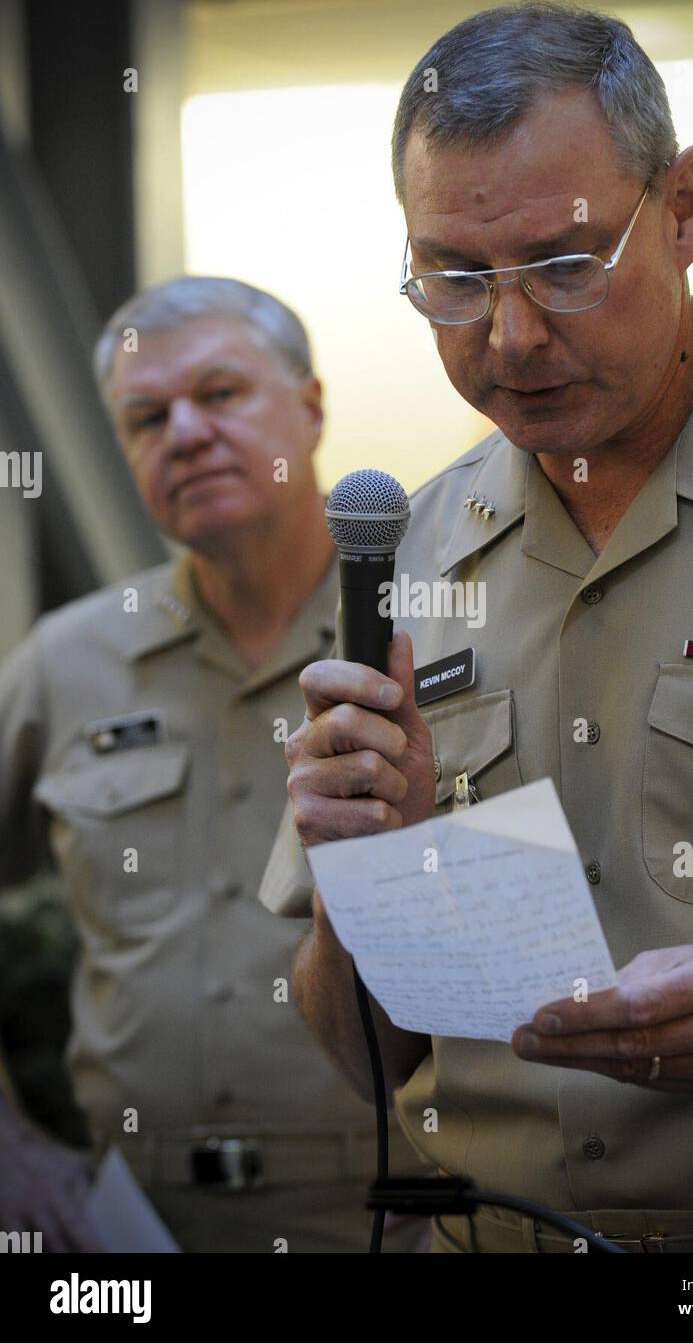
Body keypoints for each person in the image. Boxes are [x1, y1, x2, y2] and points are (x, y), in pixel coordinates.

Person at [260, 2, 693, 1254]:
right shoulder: (405, 556)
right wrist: (354, 882)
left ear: (683, 209)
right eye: (454, 279)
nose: (510, 337)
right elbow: (369, 1066)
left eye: (566, 264)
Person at [0, 276, 423, 1253]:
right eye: (146, 417)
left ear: (310, 406)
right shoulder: (70, 659)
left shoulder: (433, 630)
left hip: (393, 1221)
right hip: (125, 1230)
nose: (183, 432)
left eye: (220, 394)